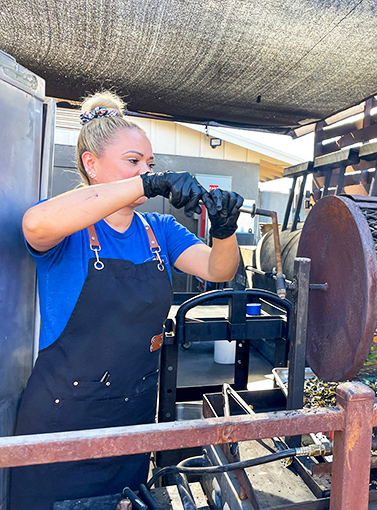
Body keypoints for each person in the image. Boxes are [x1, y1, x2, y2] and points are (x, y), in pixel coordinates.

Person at [9, 91, 243, 510]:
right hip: (62, 419)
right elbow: (35, 223)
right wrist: (147, 184)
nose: (147, 171)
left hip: (132, 415)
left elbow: (218, 270)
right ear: (91, 165)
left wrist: (225, 230)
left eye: (150, 164)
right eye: (134, 161)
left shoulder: (160, 230)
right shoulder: (69, 228)